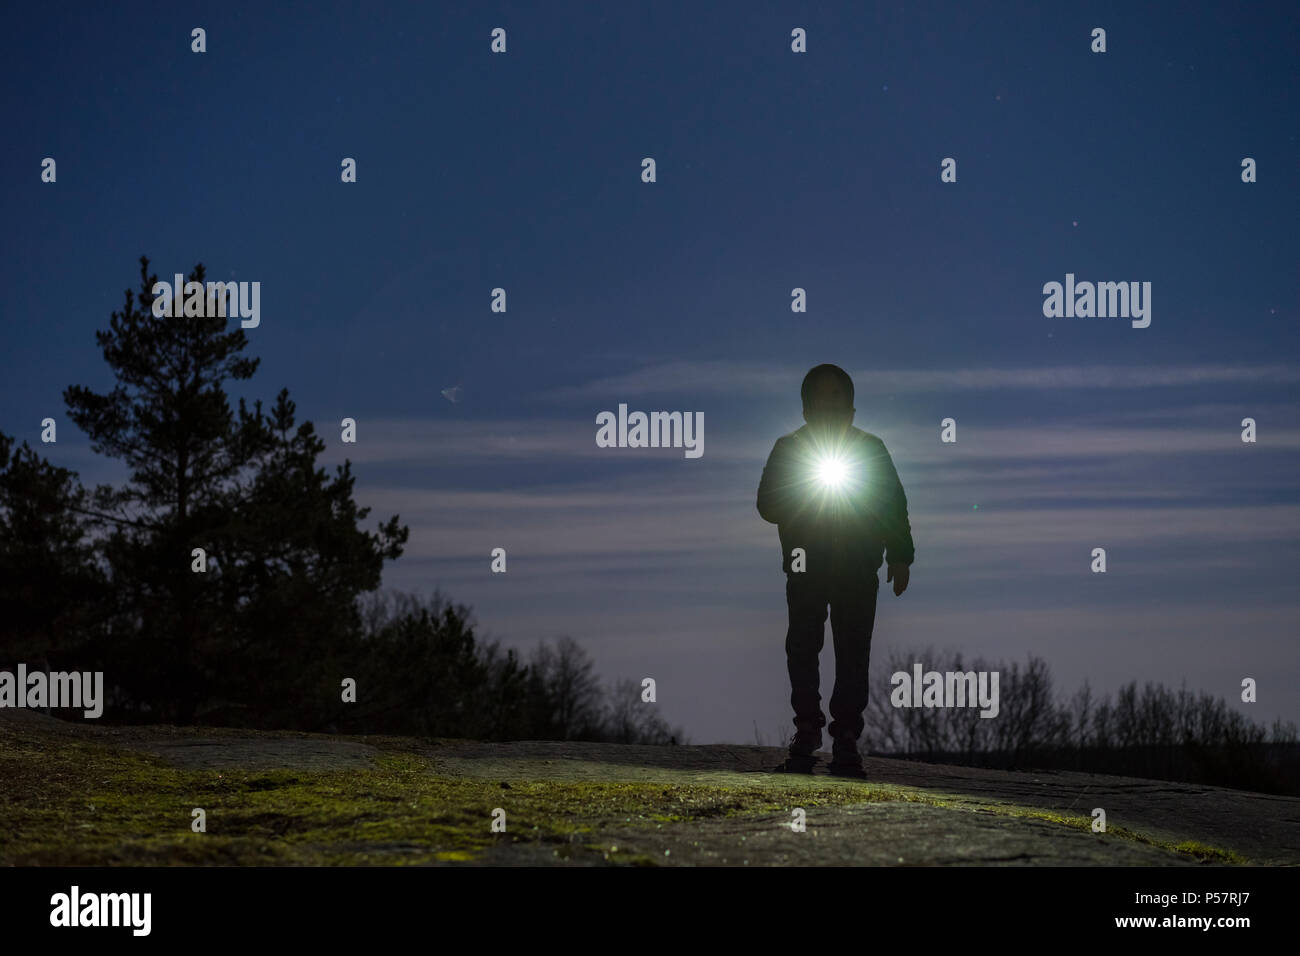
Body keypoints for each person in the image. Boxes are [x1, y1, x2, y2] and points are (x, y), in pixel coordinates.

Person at [756, 364, 915, 777]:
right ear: (806, 408)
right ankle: (807, 728)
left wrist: (901, 556)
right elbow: (767, 504)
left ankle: (846, 737)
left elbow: (893, 507)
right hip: (804, 567)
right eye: (820, 398)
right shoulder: (789, 448)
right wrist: (798, 495)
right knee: (803, 646)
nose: (829, 405)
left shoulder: (872, 450)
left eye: (837, 397)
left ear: (852, 408)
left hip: (858, 569)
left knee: (852, 652)